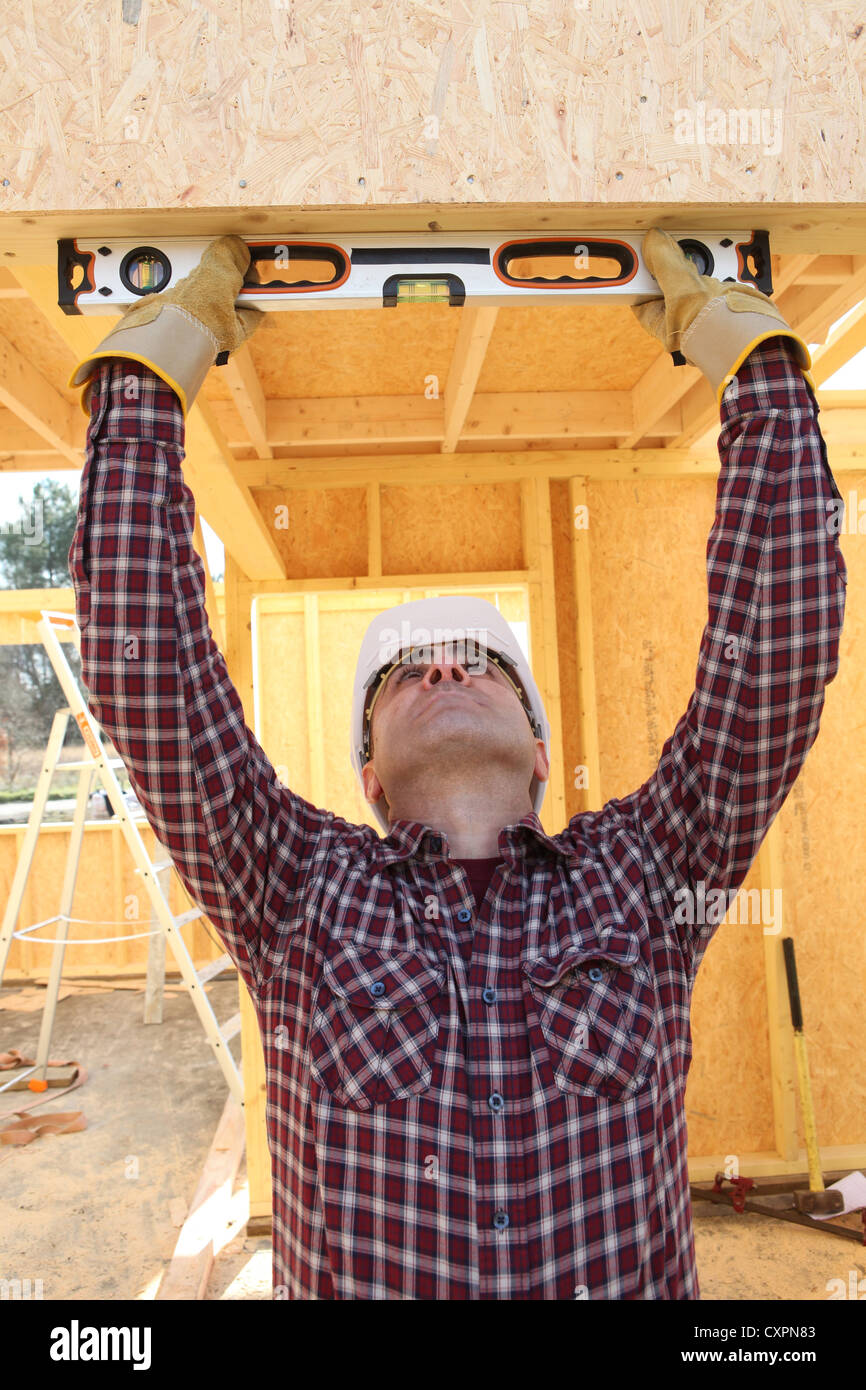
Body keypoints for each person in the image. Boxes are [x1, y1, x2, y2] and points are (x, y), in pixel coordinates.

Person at [66, 232, 846, 1299]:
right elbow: (148, 670)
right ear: (369, 778)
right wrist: (161, 359)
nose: (442, 669)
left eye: (478, 662)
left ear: (538, 752)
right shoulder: (293, 888)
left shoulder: (644, 874)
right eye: (404, 675)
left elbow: (778, 649)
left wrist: (749, 360)